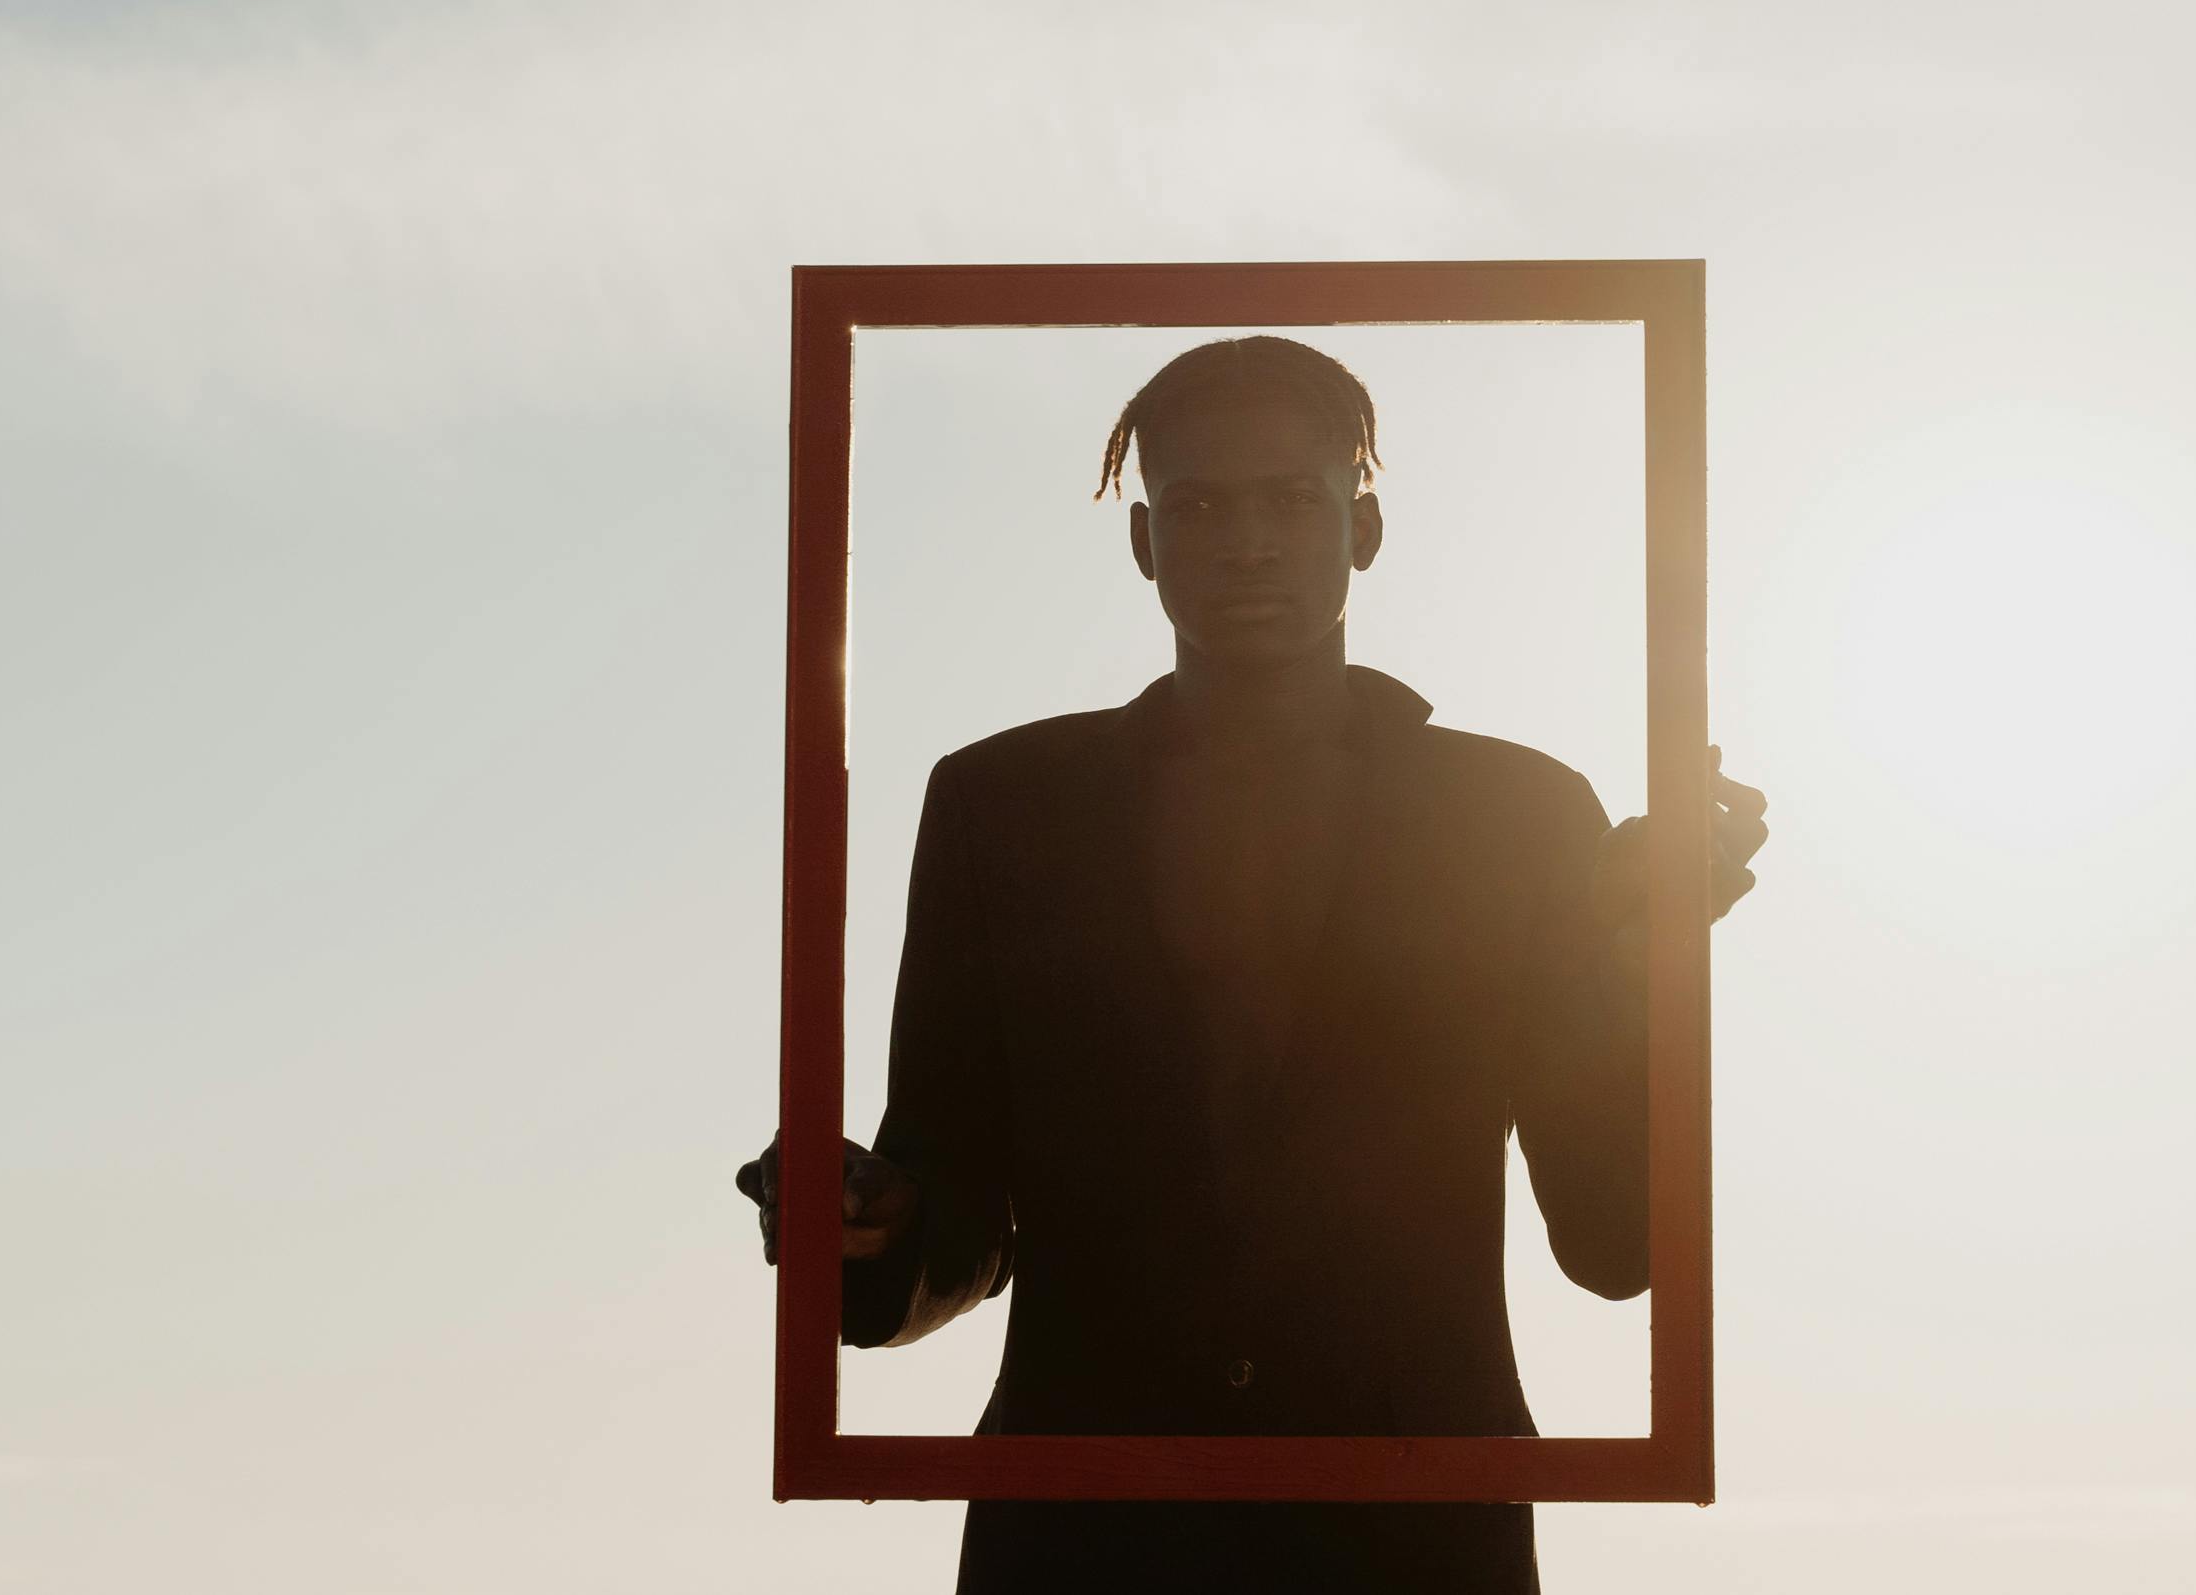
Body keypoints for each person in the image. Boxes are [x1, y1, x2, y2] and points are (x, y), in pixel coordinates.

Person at [739, 335, 1765, 1594]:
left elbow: (1617, 1242)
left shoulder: (1521, 816)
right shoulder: (1000, 806)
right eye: (1200, 505)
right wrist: (867, 1228)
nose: (1248, 540)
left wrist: (1642, 953)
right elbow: (955, 1194)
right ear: (1144, 543)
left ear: (1364, 526)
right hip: (1084, 1534)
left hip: (1414, 1536)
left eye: (1291, 500)